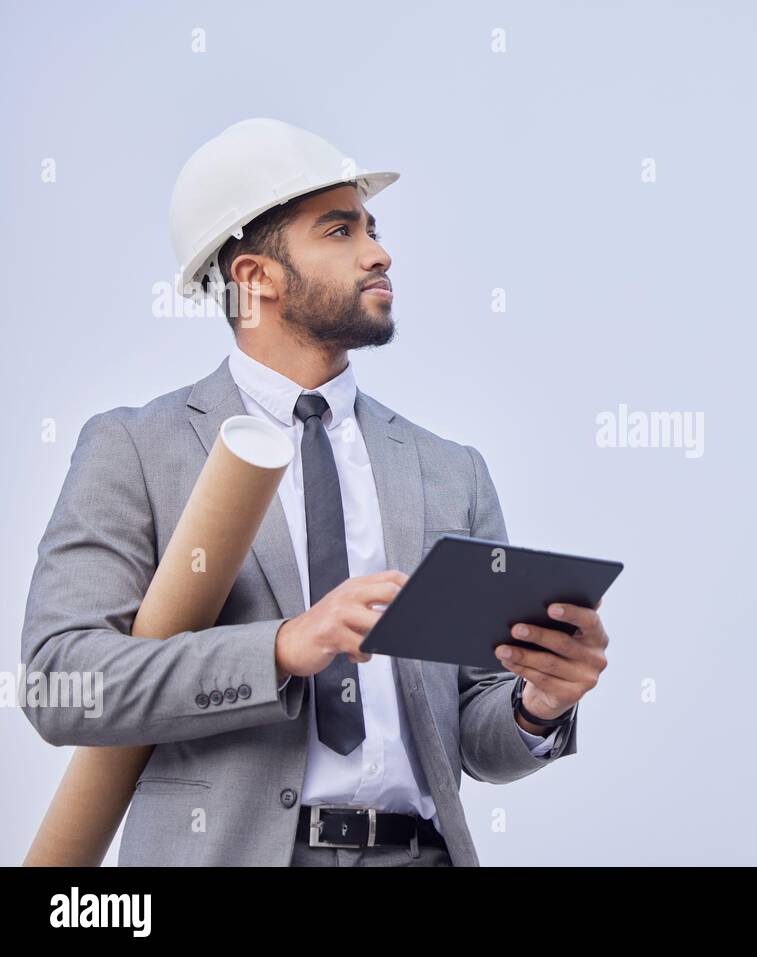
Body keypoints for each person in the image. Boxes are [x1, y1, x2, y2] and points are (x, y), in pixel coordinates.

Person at [19, 118, 610, 867]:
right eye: (339, 231)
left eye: (371, 227)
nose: (379, 251)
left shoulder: (449, 469)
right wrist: (278, 648)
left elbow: (473, 734)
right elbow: (59, 684)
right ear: (254, 278)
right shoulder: (137, 449)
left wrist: (539, 704)